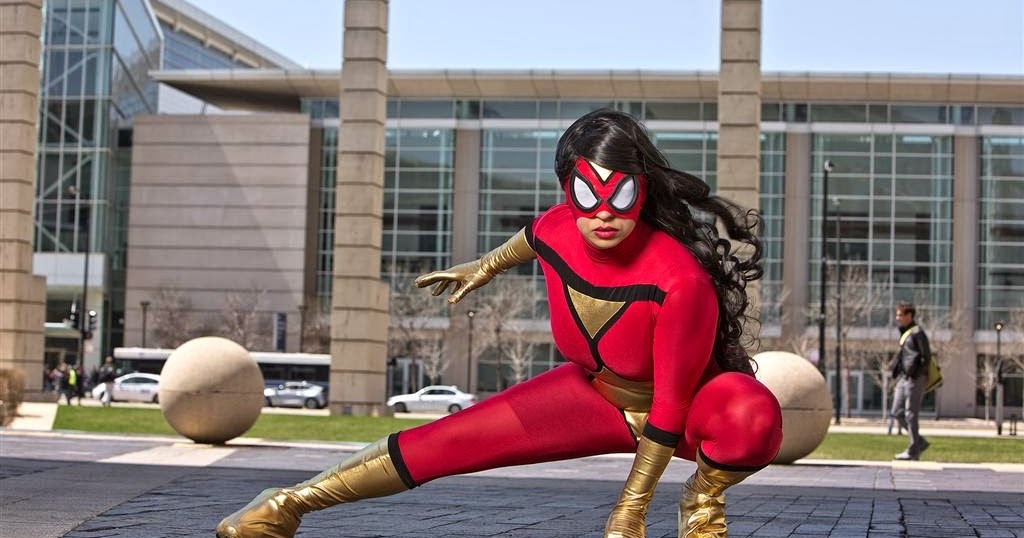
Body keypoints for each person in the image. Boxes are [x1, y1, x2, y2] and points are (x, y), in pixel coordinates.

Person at [216, 109, 783, 538]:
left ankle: (704, 498)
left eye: (622, 194)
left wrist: (631, 508)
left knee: (749, 412)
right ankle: (285, 504)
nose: (603, 214)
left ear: (643, 189)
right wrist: (482, 268)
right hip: (594, 394)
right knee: (443, 442)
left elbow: (669, 408)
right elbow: (529, 240)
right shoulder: (558, 227)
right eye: (588, 193)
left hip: (680, 411)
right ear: (568, 189)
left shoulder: (679, 281)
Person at [890, 302, 932, 460]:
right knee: (896, 412)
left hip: (915, 378)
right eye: (897, 314)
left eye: (900, 315)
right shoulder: (905, 333)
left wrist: (916, 373)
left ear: (909, 316)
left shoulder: (917, 333)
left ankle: (913, 450)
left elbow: (926, 357)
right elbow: (904, 356)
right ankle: (919, 442)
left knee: (910, 414)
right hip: (904, 377)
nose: (897, 318)